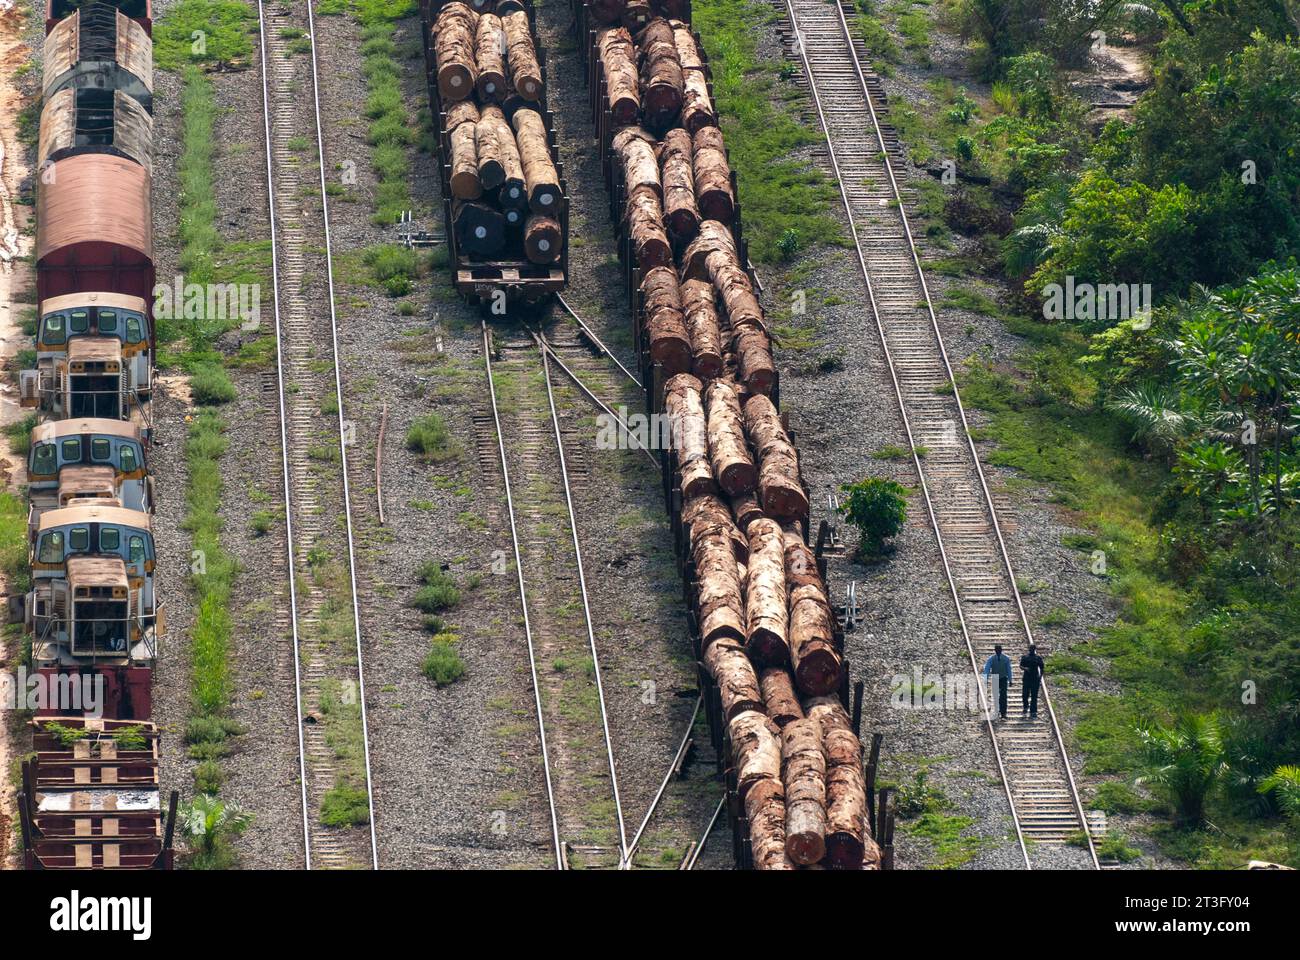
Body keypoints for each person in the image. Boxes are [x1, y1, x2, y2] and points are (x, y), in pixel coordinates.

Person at [981, 644, 1013, 720]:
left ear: (1001, 650)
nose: (998, 652)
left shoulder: (1006, 658)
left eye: (999, 650)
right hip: (995, 678)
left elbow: (1009, 669)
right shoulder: (991, 659)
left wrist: (1010, 679)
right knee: (995, 696)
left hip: (1003, 678)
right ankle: (996, 711)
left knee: (1003, 696)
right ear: (995, 651)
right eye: (997, 650)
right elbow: (987, 669)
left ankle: (1003, 713)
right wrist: (985, 679)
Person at [1020, 643, 1045, 719]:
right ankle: (1025, 707)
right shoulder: (1025, 657)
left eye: (1032, 649)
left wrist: (1040, 677)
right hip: (1026, 679)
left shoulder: (1038, 658)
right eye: (1030, 649)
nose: (1031, 650)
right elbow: (1021, 666)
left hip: (1035, 679)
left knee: (1034, 696)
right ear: (1029, 649)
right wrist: (1025, 668)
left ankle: (1033, 711)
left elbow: (1042, 668)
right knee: (1025, 695)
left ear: (1034, 650)